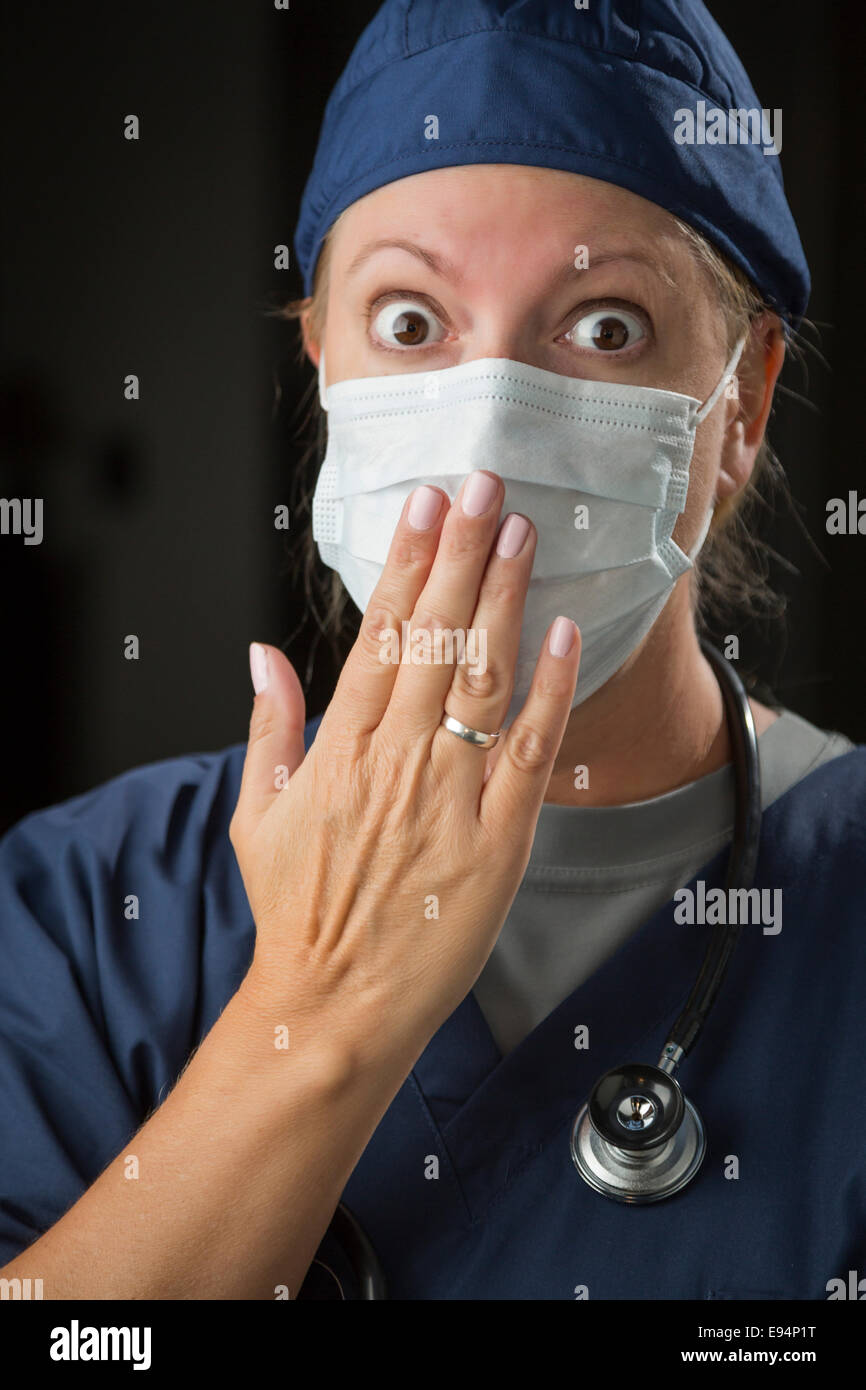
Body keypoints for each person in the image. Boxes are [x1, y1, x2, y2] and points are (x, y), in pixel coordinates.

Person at [1, 0, 864, 1301]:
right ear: (322, 367)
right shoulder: (84, 911)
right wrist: (324, 1011)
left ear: (736, 404)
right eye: (409, 323)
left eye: (604, 323)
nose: (484, 440)